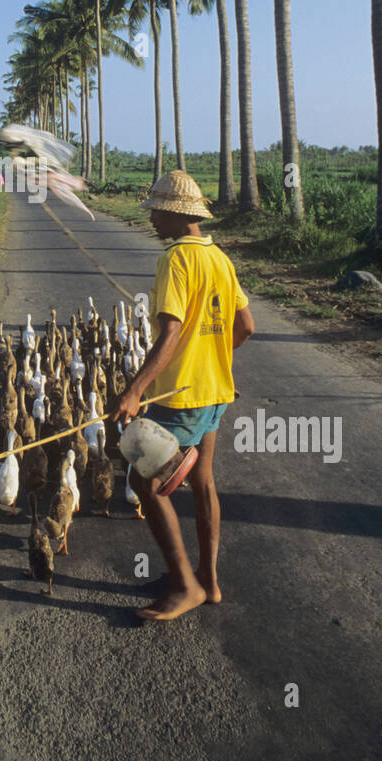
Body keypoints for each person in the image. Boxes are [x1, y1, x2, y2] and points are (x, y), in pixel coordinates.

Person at [114, 170, 255, 622]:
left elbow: (171, 331)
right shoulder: (219, 258)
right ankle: (209, 582)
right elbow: (246, 327)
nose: (152, 218)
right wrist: (212, 354)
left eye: (156, 210)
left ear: (175, 214)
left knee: (146, 483)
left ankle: (184, 584)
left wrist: (135, 390)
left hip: (181, 397)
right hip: (216, 391)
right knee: (203, 482)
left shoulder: (175, 260)